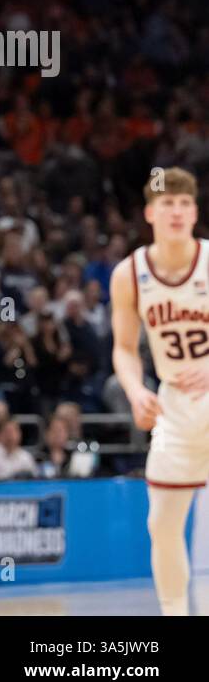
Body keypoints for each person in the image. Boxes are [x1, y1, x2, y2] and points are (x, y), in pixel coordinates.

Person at [110, 167, 209, 616]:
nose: (177, 211)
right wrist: (135, 391)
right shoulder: (130, 273)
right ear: (150, 212)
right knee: (162, 524)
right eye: (168, 203)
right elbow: (125, 349)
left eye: (185, 203)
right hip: (175, 408)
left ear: (194, 213)